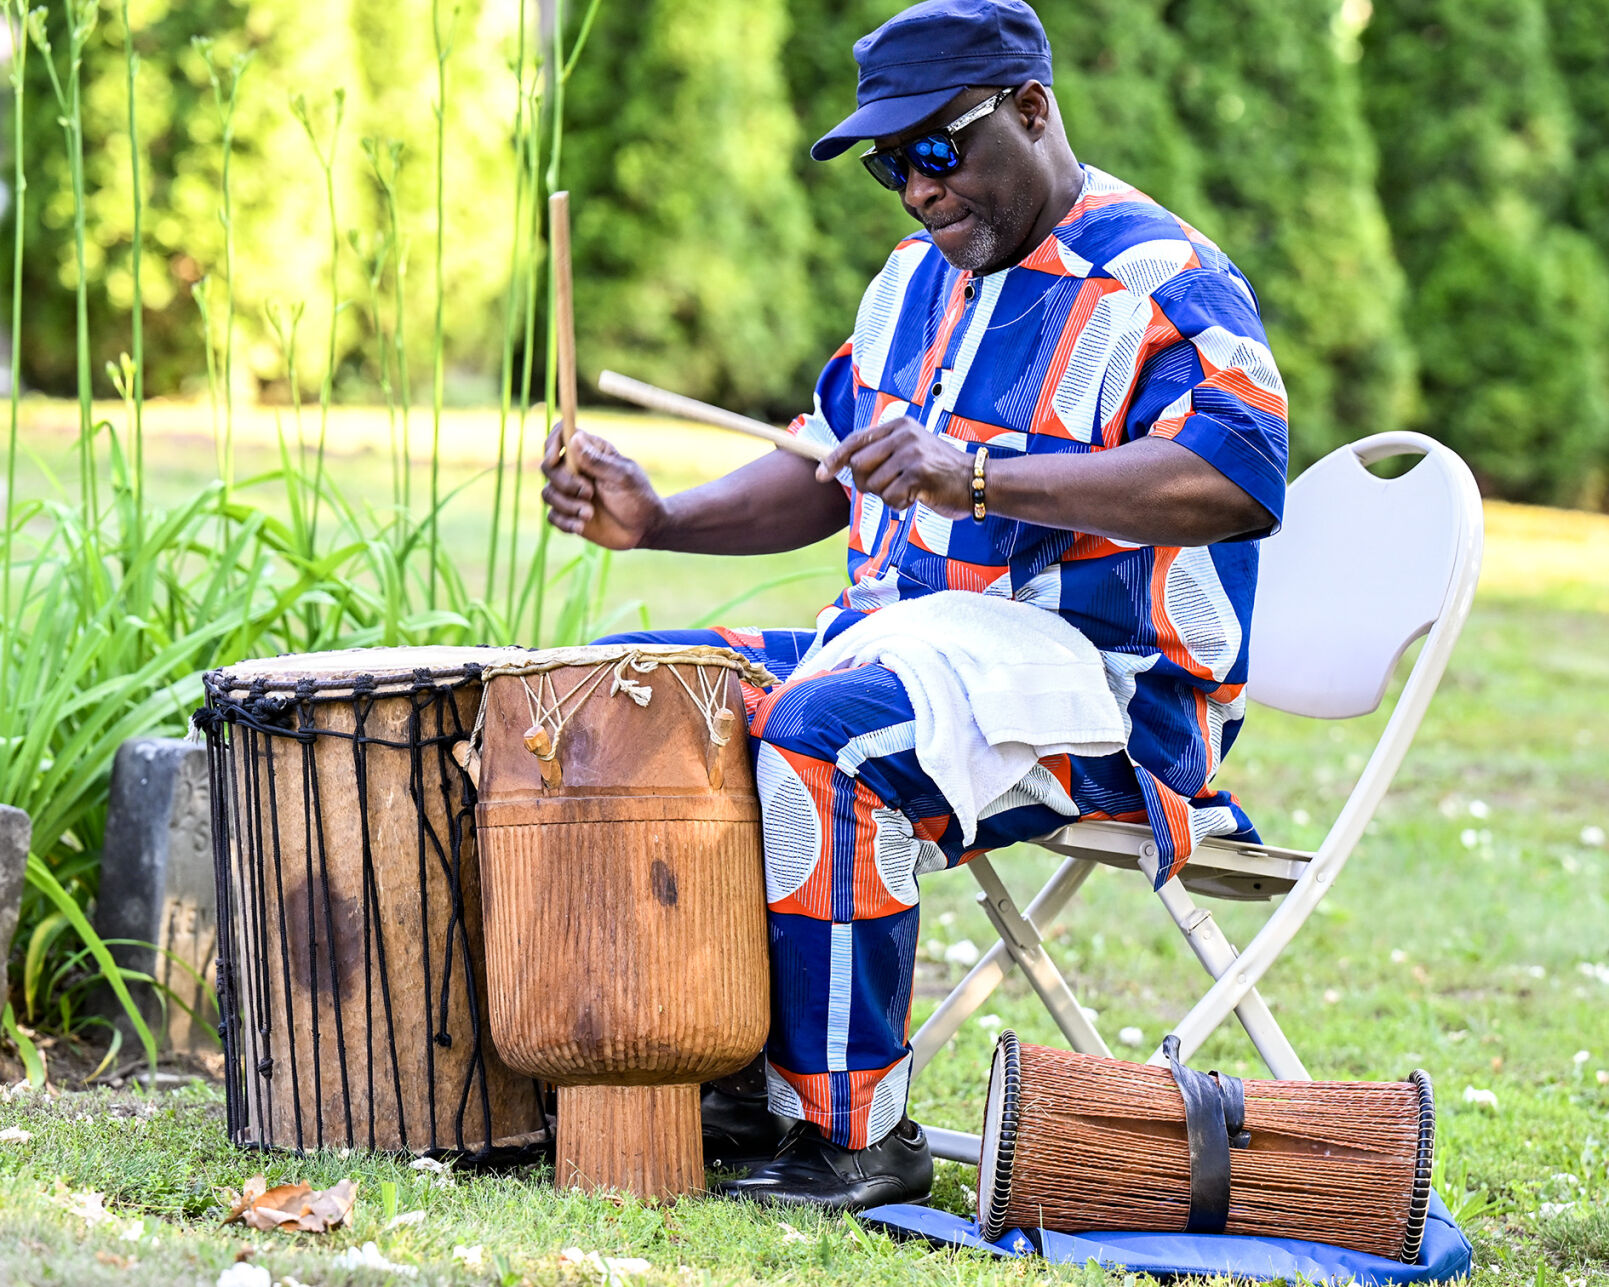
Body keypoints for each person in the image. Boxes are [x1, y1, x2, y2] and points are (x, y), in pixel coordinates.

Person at [540, 0, 1288, 1212]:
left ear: (1033, 109)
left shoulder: (1164, 280)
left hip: (1105, 695)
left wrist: (977, 473)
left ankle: (852, 1139)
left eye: (937, 150)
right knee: (632, 686)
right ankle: (724, 1069)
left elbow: (1235, 478)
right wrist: (662, 519)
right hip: (905, 641)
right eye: (891, 166)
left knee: (826, 734)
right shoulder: (911, 281)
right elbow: (822, 464)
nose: (917, 192)